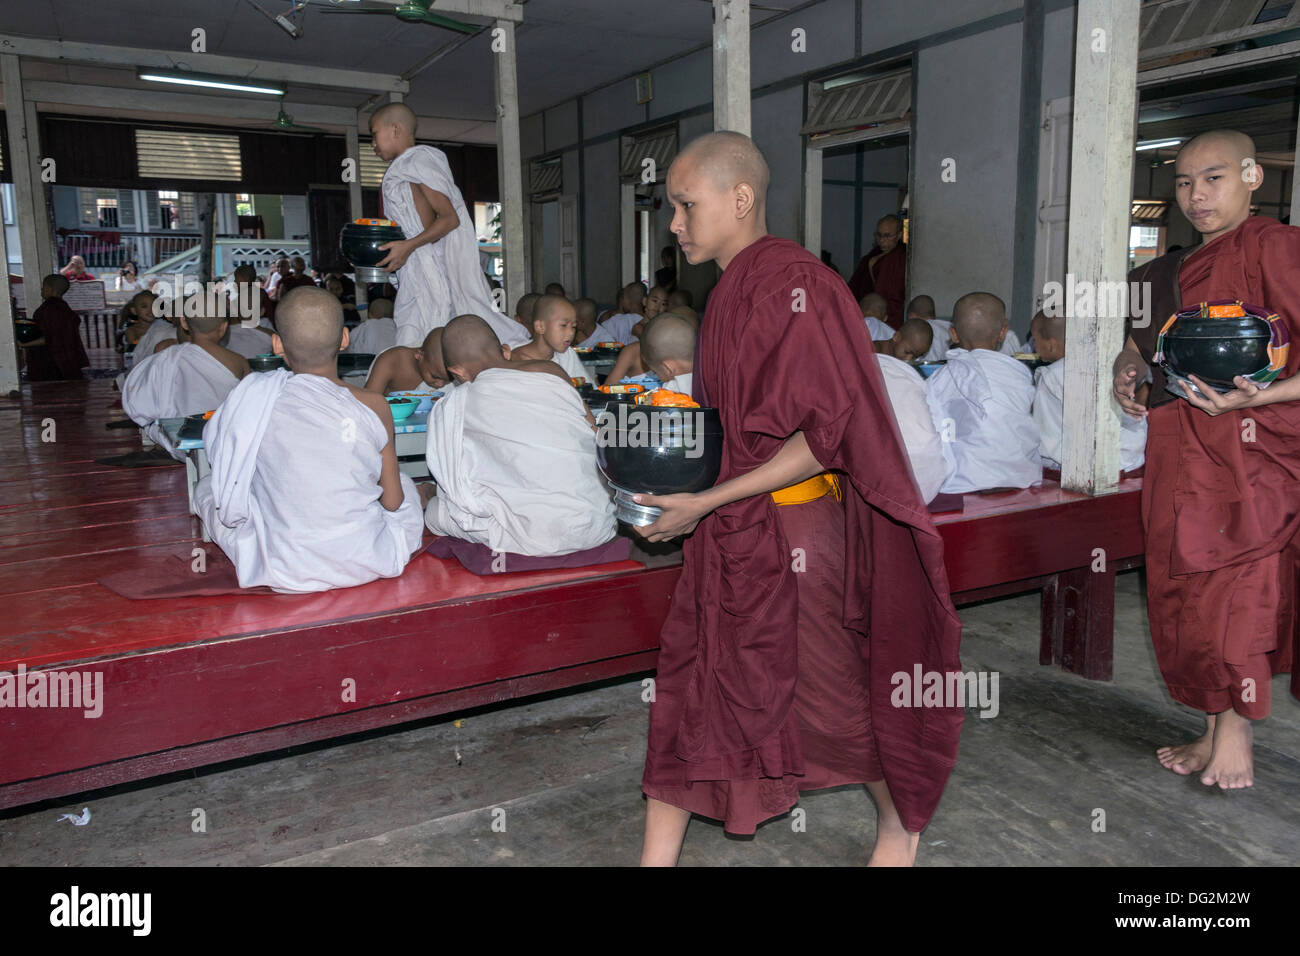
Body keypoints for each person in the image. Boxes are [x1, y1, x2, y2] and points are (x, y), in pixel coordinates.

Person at [632, 132, 962, 867]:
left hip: (794, 533)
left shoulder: (799, 285)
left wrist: (709, 499)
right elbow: (734, 430)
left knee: (831, 704)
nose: (675, 224)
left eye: (686, 205)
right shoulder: (724, 293)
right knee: (693, 688)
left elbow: (825, 439)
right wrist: (681, 494)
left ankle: (900, 825)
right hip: (729, 525)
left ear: (740, 198)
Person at [1112, 129, 1300, 789]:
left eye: (1214, 178)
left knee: (1239, 593)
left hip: (1251, 462)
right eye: (1186, 183)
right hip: (1181, 453)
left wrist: (1258, 399)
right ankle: (1213, 721)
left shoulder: (1277, 249)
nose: (1197, 196)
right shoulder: (1168, 270)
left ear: (1252, 176)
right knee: (1186, 592)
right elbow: (1140, 344)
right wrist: (1126, 370)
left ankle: (1238, 735)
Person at [195, 287, 425, 593]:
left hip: (286, 567)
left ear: (277, 344)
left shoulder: (257, 400)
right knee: (406, 486)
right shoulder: (374, 405)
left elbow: (227, 462)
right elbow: (392, 502)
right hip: (365, 559)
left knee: (206, 488)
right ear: (345, 338)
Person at [423, 314, 615, 556]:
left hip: (533, 535)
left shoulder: (457, 403)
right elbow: (593, 432)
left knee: (435, 513)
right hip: (596, 522)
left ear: (457, 371)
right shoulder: (551, 371)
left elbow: (456, 474)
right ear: (505, 351)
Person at [369, 102, 527, 348]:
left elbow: (449, 218)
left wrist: (407, 247)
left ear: (395, 130)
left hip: (432, 270)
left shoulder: (418, 161)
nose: (373, 143)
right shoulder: (403, 168)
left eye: (374, 133)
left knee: (421, 347)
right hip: (418, 271)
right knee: (423, 348)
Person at [925, 292, 1040, 494]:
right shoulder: (1019, 374)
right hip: (1020, 477)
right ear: (1003, 331)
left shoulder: (940, 379)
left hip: (964, 481)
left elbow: (934, 429)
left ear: (953, 334)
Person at [120, 308, 247, 458]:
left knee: (151, 426)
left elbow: (137, 404)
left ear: (184, 323)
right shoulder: (238, 361)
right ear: (224, 327)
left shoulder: (167, 357)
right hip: (227, 443)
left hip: (179, 444)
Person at [1032, 310, 1144, 475]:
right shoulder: (1114, 366)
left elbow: (1047, 439)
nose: (1034, 346)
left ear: (1051, 344)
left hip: (1085, 469)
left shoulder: (1052, 376)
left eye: (1035, 340)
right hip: (1130, 461)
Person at [874, 321, 950, 504]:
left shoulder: (900, 365)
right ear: (896, 336)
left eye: (916, 356)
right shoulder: (865, 349)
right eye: (907, 351)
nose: (908, 360)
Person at [508, 294, 592, 384]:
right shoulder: (509, 355)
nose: (571, 333)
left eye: (574, 326)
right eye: (563, 325)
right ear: (540, 327)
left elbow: (585, 387)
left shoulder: (567, 355)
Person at [19, 274, 89, 382]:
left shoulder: (49, 309)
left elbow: (50, 339)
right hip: (68, 362)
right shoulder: (65, 308)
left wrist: (22, 344)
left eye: (44, 286)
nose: (42, 289)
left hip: (50, 364)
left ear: (51, 289)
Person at [847, 215, 906, 327]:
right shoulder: (872, 255)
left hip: (888, 317)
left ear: (899, 235)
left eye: (887, 236)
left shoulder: (901, 257)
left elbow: (892, 296)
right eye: (879, 235)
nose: (882, 240)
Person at [363, 327, 450, 396]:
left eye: (448, 380)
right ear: (419, 355)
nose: (440, 385)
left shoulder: (456, 368)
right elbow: (368, 401)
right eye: (434, 376)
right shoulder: (392, 360)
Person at [638, 311, 696, 397]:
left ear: (667, 368)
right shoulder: (716, 371)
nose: (657, 376)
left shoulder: (673, 391)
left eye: (655, 372)